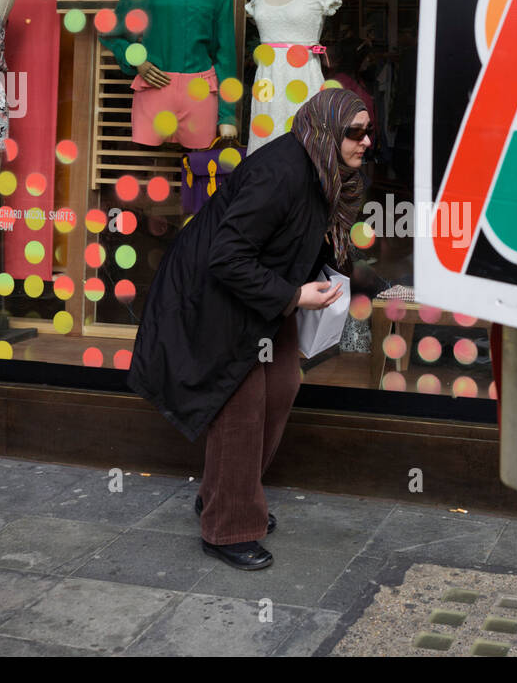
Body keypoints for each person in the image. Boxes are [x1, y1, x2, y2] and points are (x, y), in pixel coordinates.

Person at [127, 88, 372, 570]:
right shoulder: (280, 172)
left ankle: (225, 494)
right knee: (241, 403)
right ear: (327, 129)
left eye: (369, 133)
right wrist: (295, 296)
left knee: (280, 385)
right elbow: (226, 256)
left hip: (262, 295)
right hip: (212, 296)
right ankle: (228, 527)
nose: (365, 143)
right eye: (355, 132)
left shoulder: (323, 169)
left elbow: (301, 239)